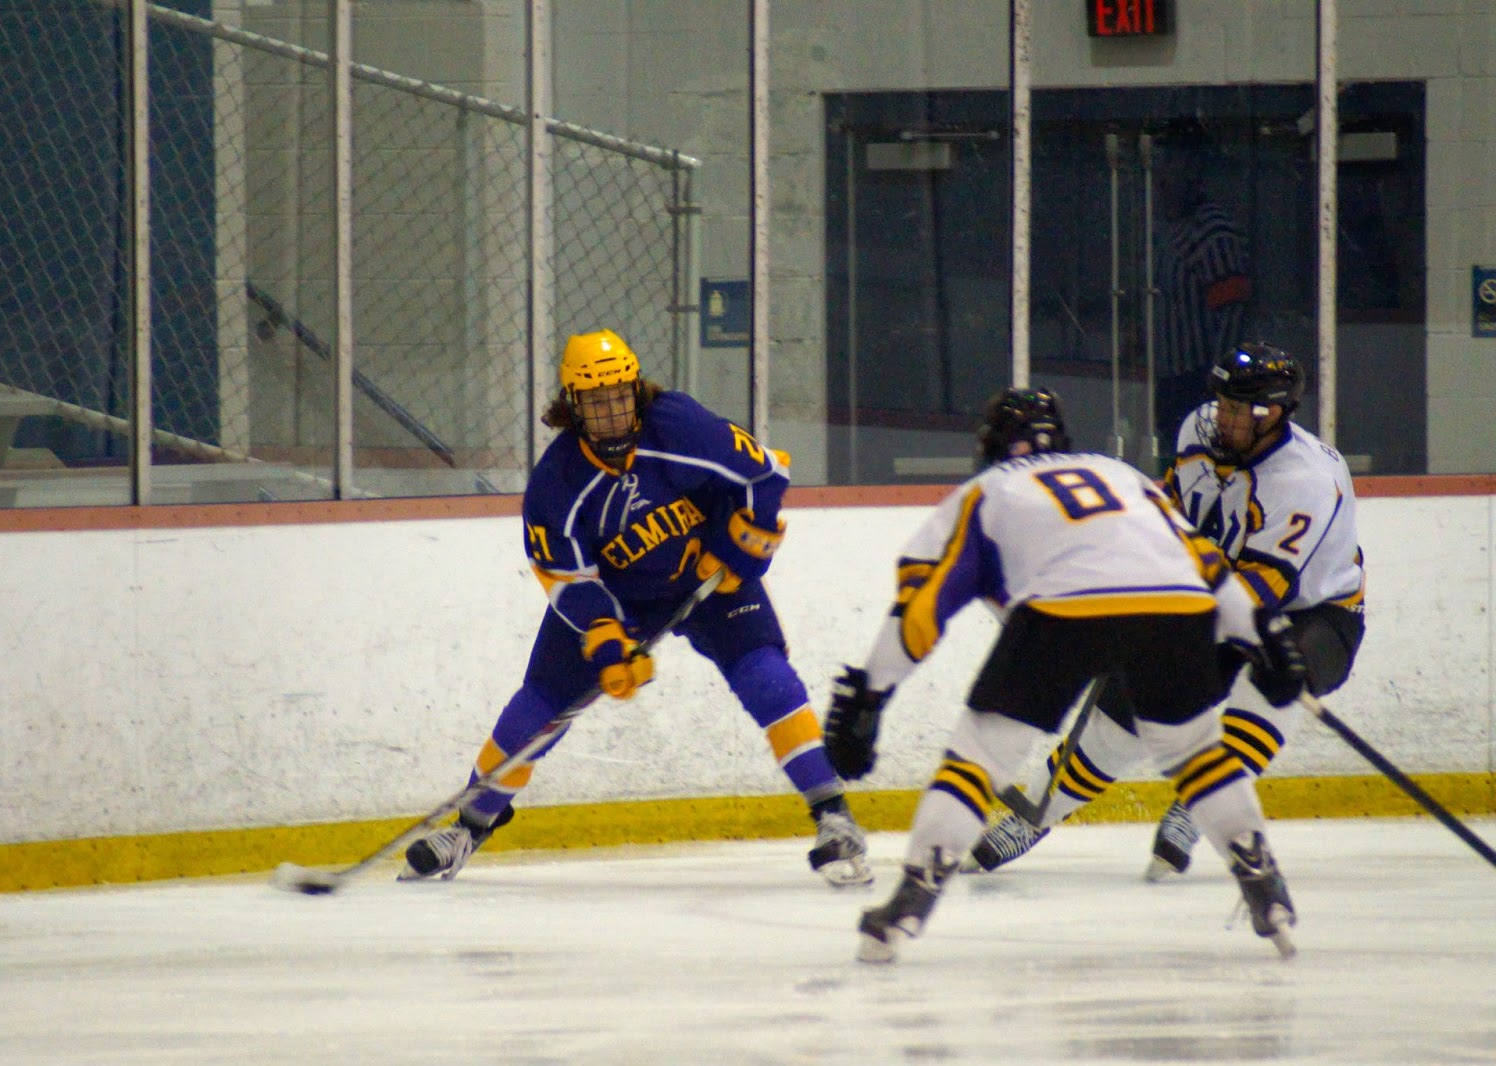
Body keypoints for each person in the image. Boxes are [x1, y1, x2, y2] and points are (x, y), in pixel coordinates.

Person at [821, 386, 1308, 963]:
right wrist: (1260, 635)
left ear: (993, 446)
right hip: (1174, 609)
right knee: (1197, 752)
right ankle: (1264, 885)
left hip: (1061, 611)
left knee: (977, 760)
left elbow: (921, 609)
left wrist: (870, 694)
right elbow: (1203, 563)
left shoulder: (985, 491)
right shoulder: (1123, 476)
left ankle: (910, 902)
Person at [398, 328, 873, 887]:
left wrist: (742, 542)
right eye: (595, 401)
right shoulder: (557, 484)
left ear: (635, 390)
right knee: (538, 707)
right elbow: (565, 572)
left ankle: (835, 818)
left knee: (767, 678)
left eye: (618, 395)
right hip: (619, 597)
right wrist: (604, 633)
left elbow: (765, 472)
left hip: (706, 575)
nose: (611, 411)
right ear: (573, 406)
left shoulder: (680, 426)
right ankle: (468, 828)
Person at [966, 344, 1365, 880]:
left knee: (1269, 682)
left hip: (1316, 612)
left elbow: (1258, 592)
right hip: (1210, 587)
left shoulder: (1307, 482)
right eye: (1220, 403)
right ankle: (1035, 815)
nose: (1220, 417)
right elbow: (1166, 511)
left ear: (1272, 415)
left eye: (1235, 409)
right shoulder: (1199, 429)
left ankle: (1199, 807)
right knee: (1122, 716)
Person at [1151, 120, 1252, 462]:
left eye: (1170, 164)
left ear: (1193, 170)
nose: (1160, 177)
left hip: (1196, 387)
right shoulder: (1169, 231)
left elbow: (1234, 314)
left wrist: (1218, 386)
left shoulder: (1212, 233)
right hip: (1171, 386)